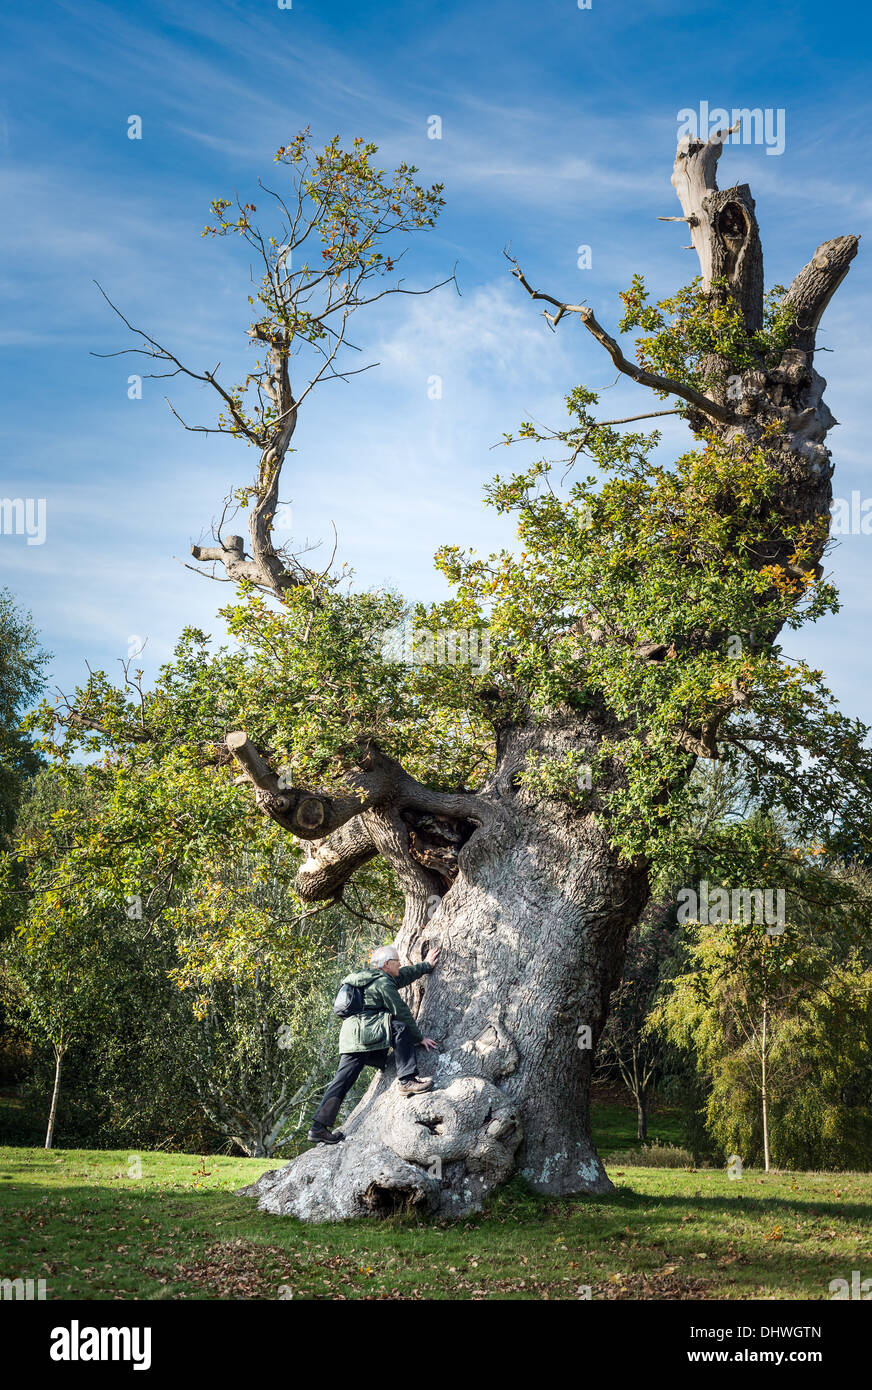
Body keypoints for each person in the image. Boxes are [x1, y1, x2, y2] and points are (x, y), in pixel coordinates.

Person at [307, 944, 440, 1145]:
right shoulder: (383, 984)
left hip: (353, 1038)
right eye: (397, 961)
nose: (400, 964)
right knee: (400, 1027)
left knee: (341, 1082)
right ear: (387, 964)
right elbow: (401, 1010)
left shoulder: (369, 977)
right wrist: (419, 1038)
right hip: (366, 1035)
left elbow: (403, 975)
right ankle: (407, 1080)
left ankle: (318, 1128)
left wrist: (426, 965)